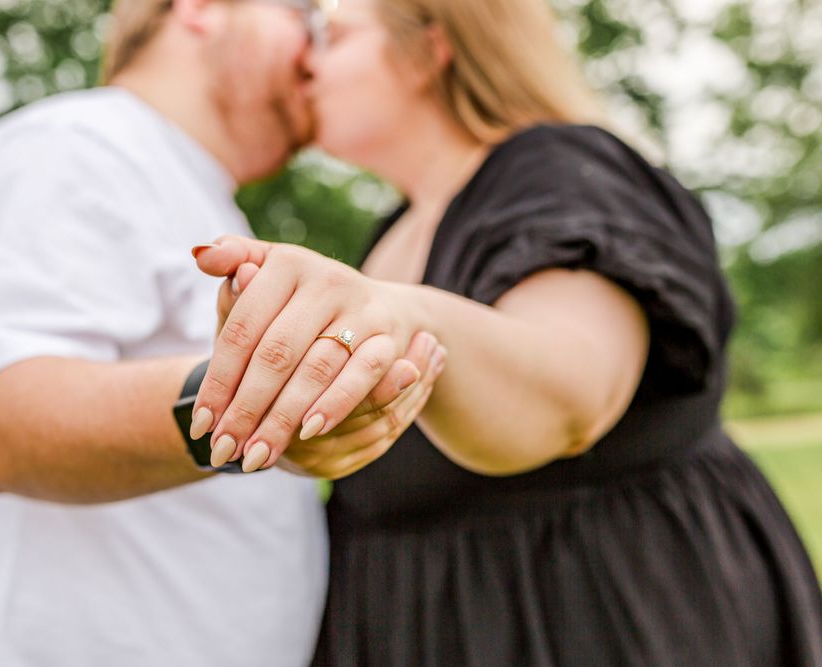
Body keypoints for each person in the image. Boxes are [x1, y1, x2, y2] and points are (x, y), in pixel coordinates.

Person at [189, 0, 822, 663]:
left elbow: (571, 391)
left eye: (334, 35)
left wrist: (414, 321)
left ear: (430, 51)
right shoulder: (398, 226)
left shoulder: (559, 169)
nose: (305, 59)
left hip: (603, 621)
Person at [0, 0, 443, 664]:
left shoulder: (186, 192)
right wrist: (255, 404)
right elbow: (7, 422)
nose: (316, 54)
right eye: (302, 16)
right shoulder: (69, 146)